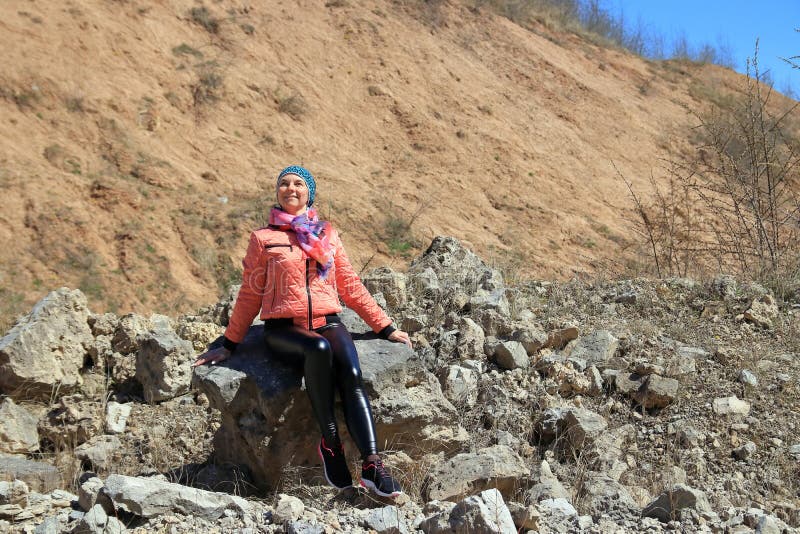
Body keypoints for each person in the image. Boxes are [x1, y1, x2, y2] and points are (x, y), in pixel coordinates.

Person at [193, 165, 412, 498]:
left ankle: (372, 465)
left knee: (351, 373)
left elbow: (349, 285)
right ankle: (331, 444)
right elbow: (251, 293)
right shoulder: (263, 239)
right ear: (277, 192)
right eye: (284, 183)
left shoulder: (327, 234)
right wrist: (230, 342)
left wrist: (385, 326)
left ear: (310, 192)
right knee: (318, 351)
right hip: (284, 328)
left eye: (298, 183)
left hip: (328, 321)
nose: (290, 188)